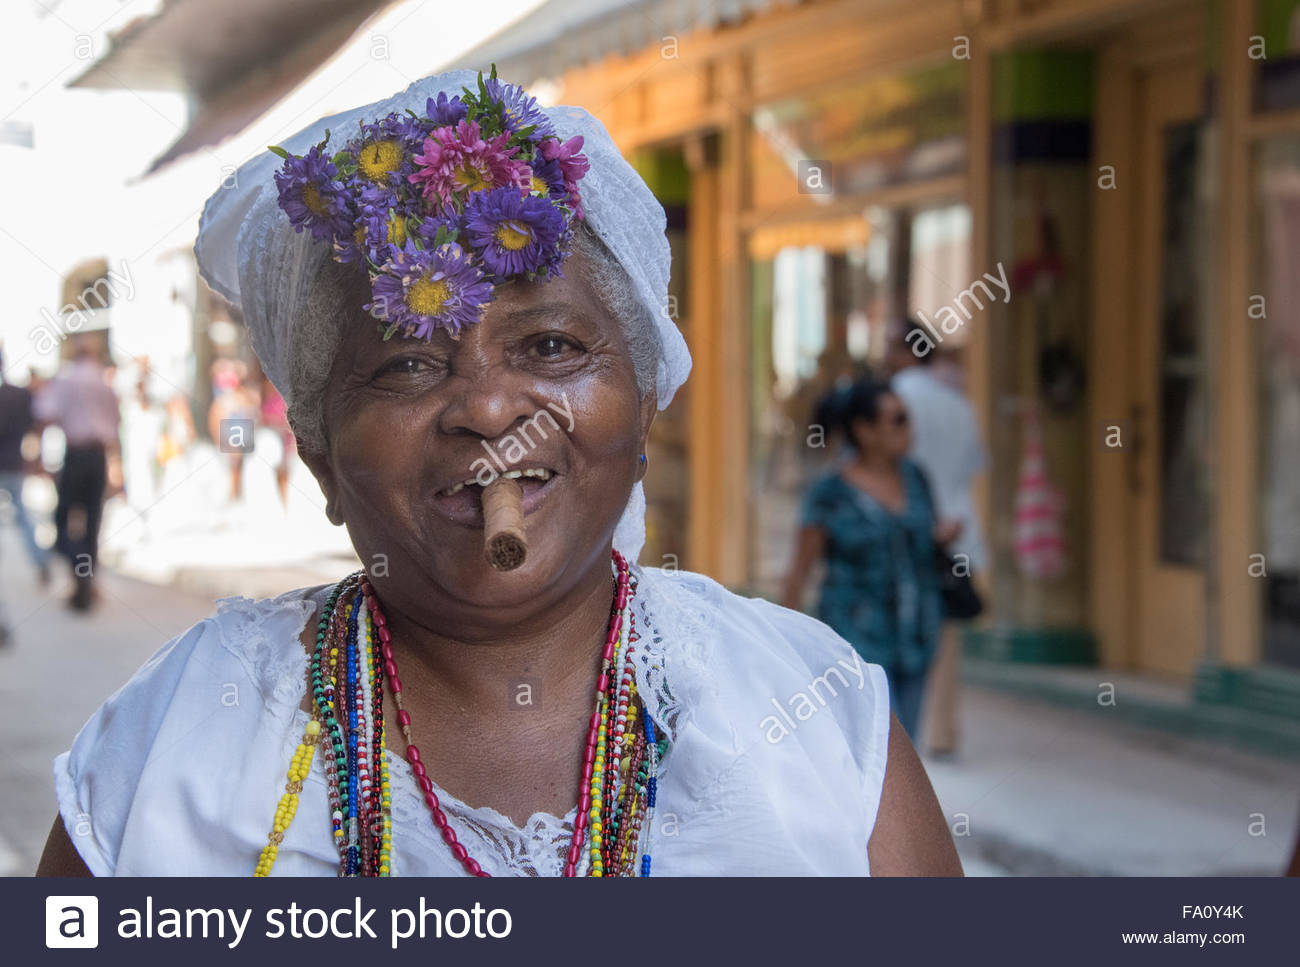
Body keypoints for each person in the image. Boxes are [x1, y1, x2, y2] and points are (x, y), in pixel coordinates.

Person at [36, 70, 959, 878]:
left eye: (551, 345)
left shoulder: (816, 722)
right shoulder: (178, 745)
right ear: (319, 453)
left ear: (643, 405)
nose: (484, 406)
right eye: (404, 364)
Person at [782, 380, 952, 740]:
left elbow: (922, 539)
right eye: (899, 419)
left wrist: (942, 537)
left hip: (917, 637)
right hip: (856, 643)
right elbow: (798, 573)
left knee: (908, 743)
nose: (909, 428)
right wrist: (788, 651)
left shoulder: (915, 477)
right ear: (865, 430)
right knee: (875, 747)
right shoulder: (831, 492)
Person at [888, 320, 988, 758]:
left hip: (910, 528)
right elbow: (973, 465)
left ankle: (897, 737)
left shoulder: (892, 400)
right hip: (960, 527)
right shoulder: (959, 404)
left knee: (897, 631)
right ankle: (943, 734)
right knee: (944, 641)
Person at [33, 336, 120, 611]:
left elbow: (45, 414)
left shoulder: (67, 381)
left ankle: (79, 569)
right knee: (92, 522)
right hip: (96, 458)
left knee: (63, 521)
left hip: (76, 455)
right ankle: (85, 577)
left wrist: (37, 454)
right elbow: (115, 427)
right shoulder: (104, 385)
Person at [0, 351, 52, 596]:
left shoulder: (17, 395)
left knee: (21, 514)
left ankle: (41, 562)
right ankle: (40, 561)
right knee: (22, 516)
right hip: (14, 465)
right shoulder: (20, 396)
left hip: (10, 465)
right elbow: (35, 426)